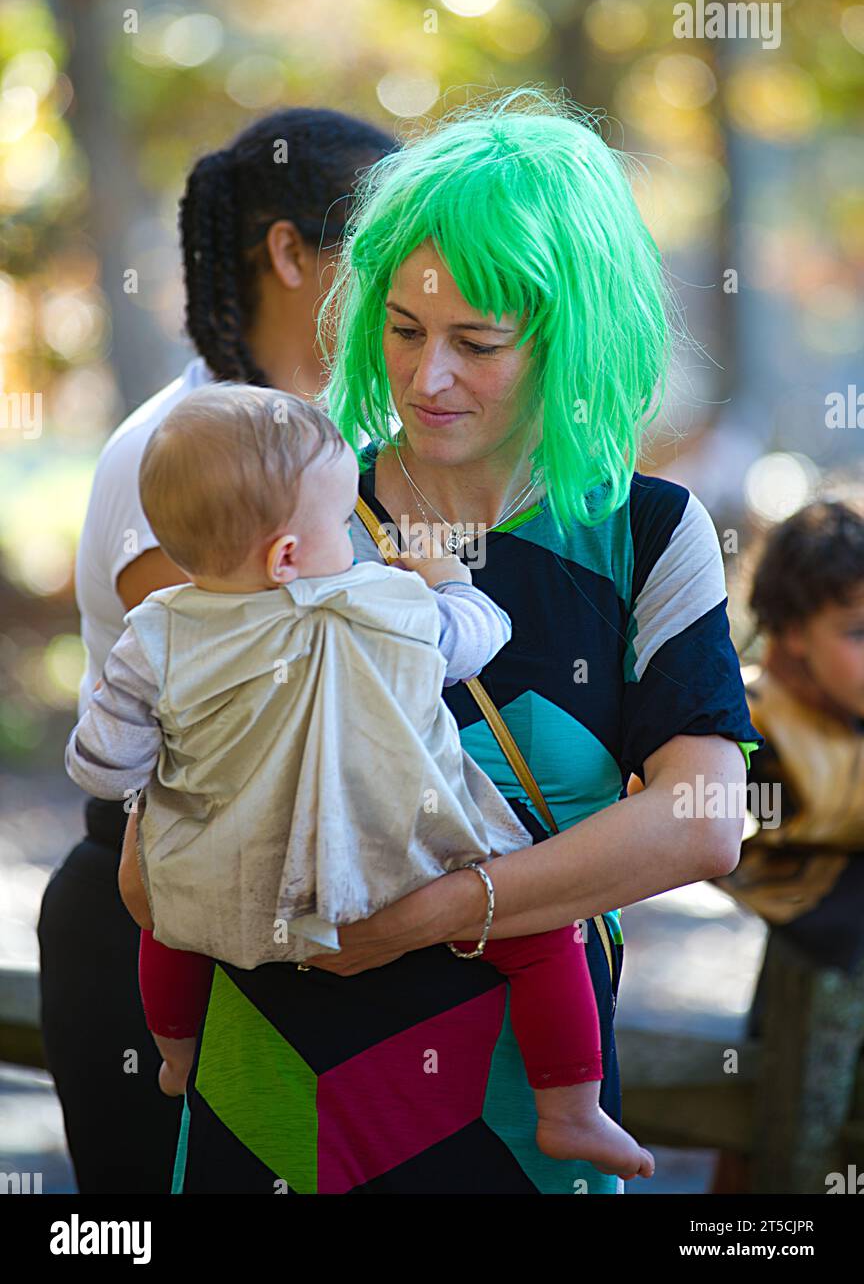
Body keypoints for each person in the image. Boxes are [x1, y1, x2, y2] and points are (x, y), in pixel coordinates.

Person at [171, 90, 762, 1196]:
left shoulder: (650, 535)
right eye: (402, 328)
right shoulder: (293, 505)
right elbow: (168, 777)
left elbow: (706, 816)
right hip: (274, 1091)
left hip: (528, 1108)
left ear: (571, 336)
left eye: (477, 342)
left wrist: (432, 914)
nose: (426, 376)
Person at [66, 385, 656, 1176]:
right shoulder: (375, 604)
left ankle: (175, 1053)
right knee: (545, 936)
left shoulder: (157, 632)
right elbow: (476, 640)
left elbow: (103, 764)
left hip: (232, 878)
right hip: (387, 867)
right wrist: (445, 576)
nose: (356, 539)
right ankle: (570, 1109)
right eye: (341, 523)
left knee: (172, 923)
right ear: (287, 556)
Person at [37, 107, 395, 1193]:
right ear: (290, 252)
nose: (416, 285)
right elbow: (237, 720)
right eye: (383, 253)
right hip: (167, 924)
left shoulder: (363, 438)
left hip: (303, 912)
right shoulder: (179, 454)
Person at [710, 494, 864, 1193]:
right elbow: (692, 826)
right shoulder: (750, 718)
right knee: (782, 1148)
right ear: (795, 631)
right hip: (818, 963)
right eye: (857, 632)